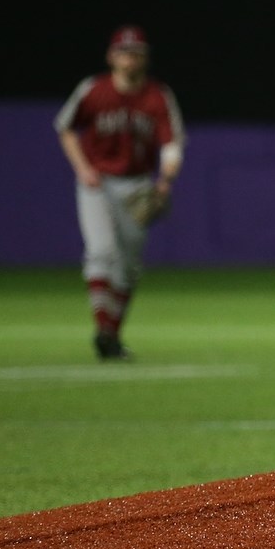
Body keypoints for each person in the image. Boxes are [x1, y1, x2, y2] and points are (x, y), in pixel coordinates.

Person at [54, 24, 185, 361]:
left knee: (127, 267)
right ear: (111, 56)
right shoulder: (94, 90)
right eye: (125, 52)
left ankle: (111, 335)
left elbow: (172, 142)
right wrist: (82, 168)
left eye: (137, 52)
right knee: (100, 252)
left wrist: (166, 178)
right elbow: (66, 127)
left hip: (137, 185)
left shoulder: (157, 96)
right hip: (96, 182)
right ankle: (102, 330)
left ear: (146, 58)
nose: (130, 58)